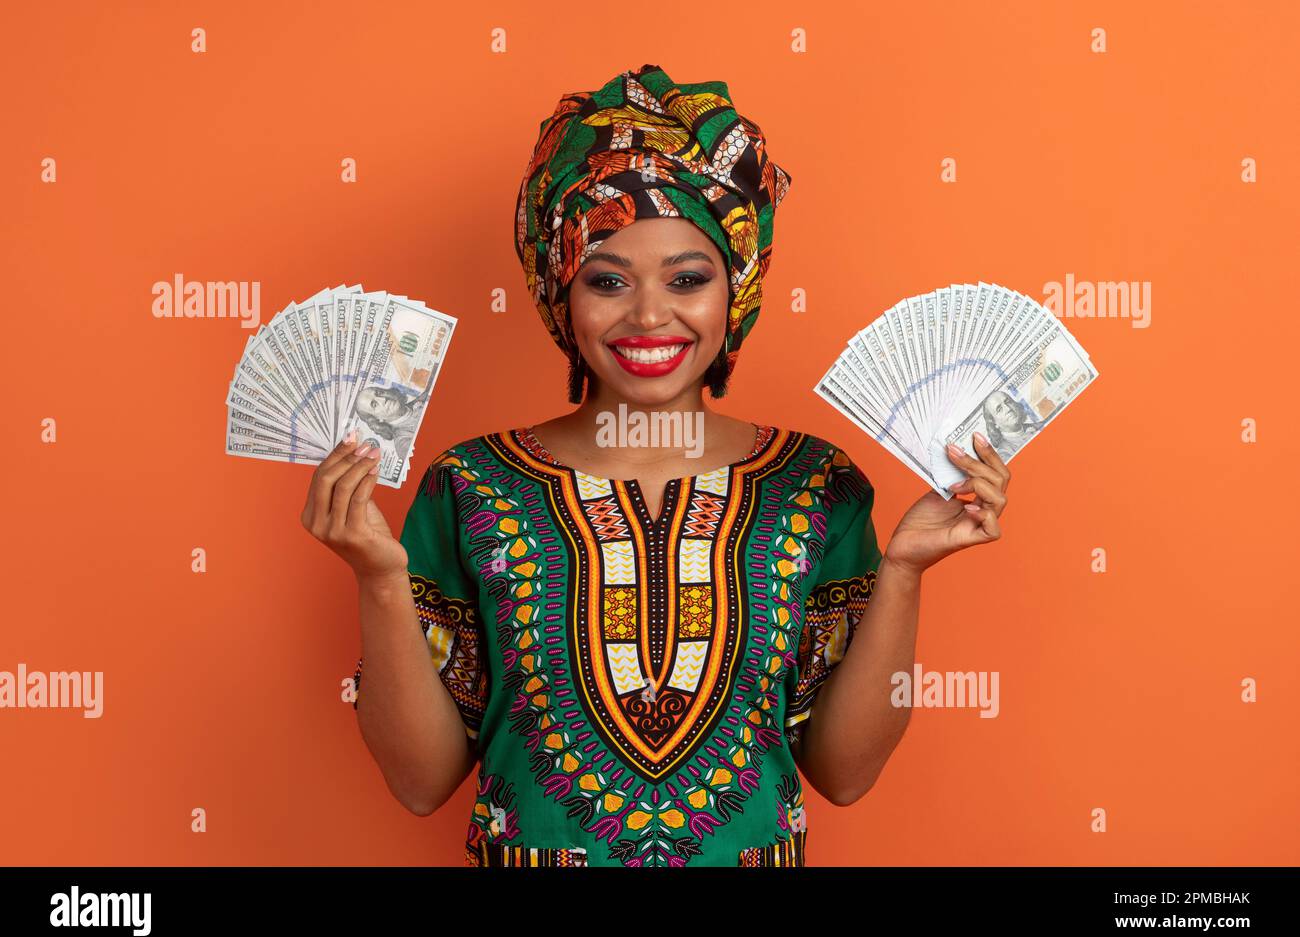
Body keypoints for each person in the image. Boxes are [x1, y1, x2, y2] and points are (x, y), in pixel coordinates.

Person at [300, 63, 1012, 867]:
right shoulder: (471, 485)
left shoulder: (816, 485)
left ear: (734, 290)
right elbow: (421, 782)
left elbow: (843, 775)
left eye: (687, 278)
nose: (649, 314)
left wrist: (906, 572)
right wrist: (379, 579)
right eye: (608, 279)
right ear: (558, 289)